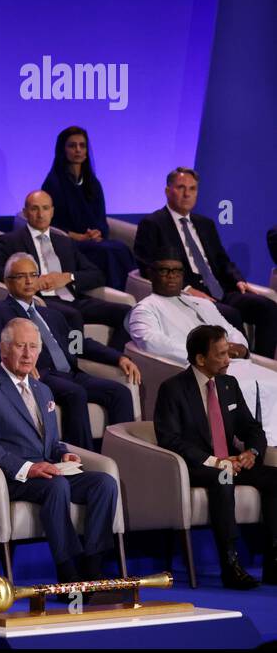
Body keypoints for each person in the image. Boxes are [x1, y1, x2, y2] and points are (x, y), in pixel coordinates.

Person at [0, 319, 119, 582]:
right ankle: (69, 574)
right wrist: (28, 468)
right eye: (21, 346)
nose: (28, 354)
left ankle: (92, 571)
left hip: (49, 469)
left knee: (104, 483)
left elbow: (51, 441)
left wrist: (62, 454)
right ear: (4, 349)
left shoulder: (42, 389)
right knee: (57, 485)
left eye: (33, 347)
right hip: (13, 476)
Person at [154, 325, 277, 589]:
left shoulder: (228, 384)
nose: (227, 359)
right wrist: (216, 462)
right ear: (201, 359)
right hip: (196, 466)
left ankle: (274, 562)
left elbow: (252, 427)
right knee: (223, 476)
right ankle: (230, 565)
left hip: (231, 462)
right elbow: (170, 439)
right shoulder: (172, 389)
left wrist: (252, 452)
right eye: (221, 354)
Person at [0, 254, 139, 450]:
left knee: (120, 392)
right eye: (21, 276)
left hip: (71, 374)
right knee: (76, 393)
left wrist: (119, 357)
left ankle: (123, 457)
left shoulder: (52, 314)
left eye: (33, 275)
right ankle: (85, 460)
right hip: (41, 375)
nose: (29, 281)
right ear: (7, 282)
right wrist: (20, 364)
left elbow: (80, 344)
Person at [127, 257, 277, 441]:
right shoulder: (144, 309)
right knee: (237, 386)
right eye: (165, 271)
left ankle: (267, 446)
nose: (172, 276)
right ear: (151, 275)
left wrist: (241, 348)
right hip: (202, 370)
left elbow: (230, 330)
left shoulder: (202, 303)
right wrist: (209, 354)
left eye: (177, 271)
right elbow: (151, 342)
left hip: (234, 363)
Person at [134, 167, 277, 358]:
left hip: (221, 290)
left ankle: (262, 361)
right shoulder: (153, 223)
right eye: (181, 187)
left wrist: (238, 280)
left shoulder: (205, 224)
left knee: (267, 307)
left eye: (192, 189)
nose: (187, 194)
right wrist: (184, 288)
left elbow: (222, 260)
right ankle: (241, 363)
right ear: (168, 191)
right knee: (231, 314)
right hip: (189, 294)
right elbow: (147, 266)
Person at [0, 190, 131, 348]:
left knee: (127, 312)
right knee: (73, 316)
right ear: (25, 213)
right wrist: (26, 280)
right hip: (41, 301)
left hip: (73, 299)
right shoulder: (11, 241)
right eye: (34, 209)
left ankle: (114, 360)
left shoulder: (65, 242)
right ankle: (74, 360)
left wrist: (68, 277)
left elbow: (97, 275)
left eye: (45, 208)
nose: (40, 214)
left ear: (52, 212)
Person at [40, 126, 136, 290]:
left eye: (82, 145)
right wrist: (79, 237)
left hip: (93, 240)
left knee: (121, 248)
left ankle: (131, 294)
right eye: (72, 146)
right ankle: (116, 294)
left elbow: (101, 219)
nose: (78, 150)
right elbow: (49, 224)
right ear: (63, 150)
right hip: (69, 243)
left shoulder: (93, 183)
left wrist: (97, 232)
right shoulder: (53, 183)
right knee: (108, 252)